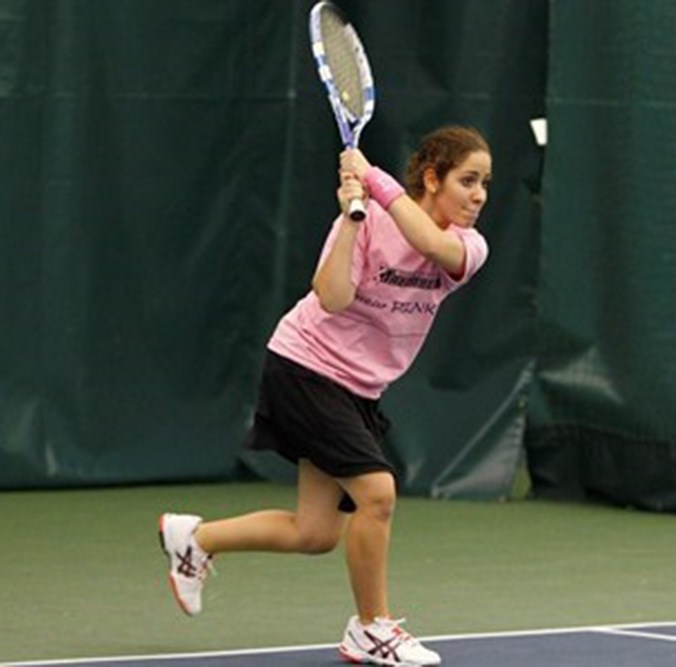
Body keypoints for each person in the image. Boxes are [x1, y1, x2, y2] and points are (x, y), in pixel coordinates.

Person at [159, 125, 492, 667]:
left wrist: (373, 180)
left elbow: (430, 244)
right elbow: (332, 298)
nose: (479, 196)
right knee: (377, 494)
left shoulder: (469, 246)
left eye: (485, 184)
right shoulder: (368, 220)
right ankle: (371, 627)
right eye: (468, 181)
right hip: (305, 367)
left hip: (359, 388)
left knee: (314, 533)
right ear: (432, 179)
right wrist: (351, 219)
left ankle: (195, 538)